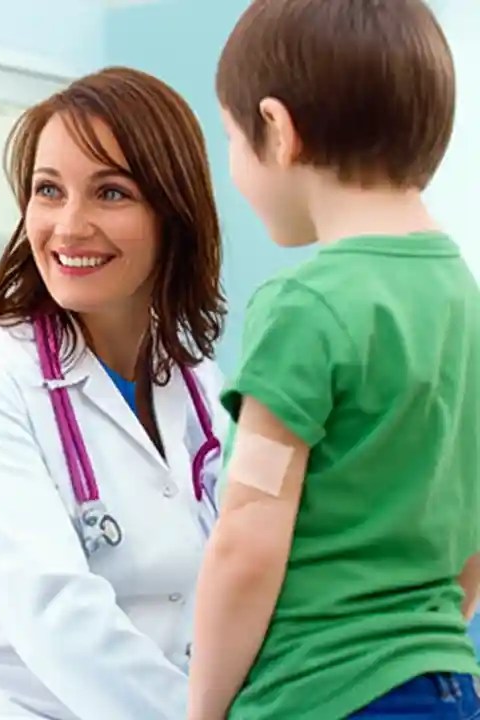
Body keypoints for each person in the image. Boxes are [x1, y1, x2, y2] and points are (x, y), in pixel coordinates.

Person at [0, 66, 228, 720]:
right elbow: (53, 610)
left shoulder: (197, 383)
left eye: (110, 192)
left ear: (173, 211)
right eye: (49, 191)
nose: (69, 227)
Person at [187, 1, 480, 718]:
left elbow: (247, 539)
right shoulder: (464, 303)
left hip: (316, 693)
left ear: (278, 131)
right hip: (448, 686)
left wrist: (201, 710)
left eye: (231, 137)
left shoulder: (305, 306)